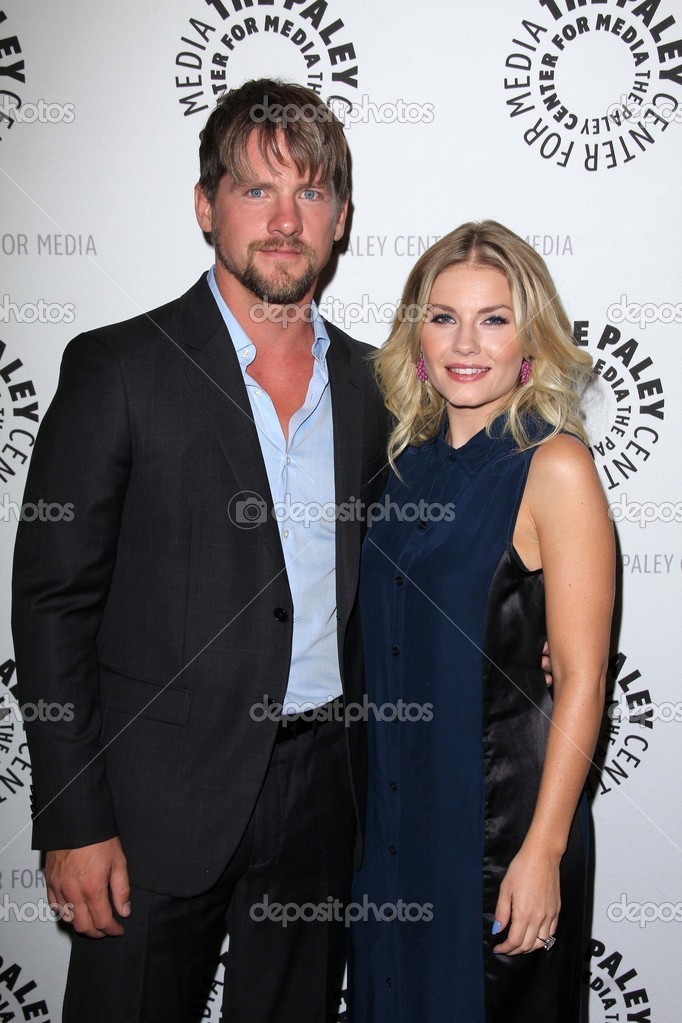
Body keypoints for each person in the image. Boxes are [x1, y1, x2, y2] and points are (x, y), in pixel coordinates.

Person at [11, 79, 392, 1023]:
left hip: (323, 796)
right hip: (149, 806)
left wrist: (527, 631)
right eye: (256, 189)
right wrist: (74, 815)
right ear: (205, 206)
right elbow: (53, 605)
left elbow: (418, 562)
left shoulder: (377, 386)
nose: (285, 220)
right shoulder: (119, 368)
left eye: (309, 192)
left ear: (341, 218)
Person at [350, 221, 614, 1022]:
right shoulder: (401, 465)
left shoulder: (555, 466)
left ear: (528, 340)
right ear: (417, 336)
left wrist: (543, 851)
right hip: (395, 822)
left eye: (494, 319)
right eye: (444, 317)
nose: (466, 343)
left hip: (498, 829)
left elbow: (581, 679)